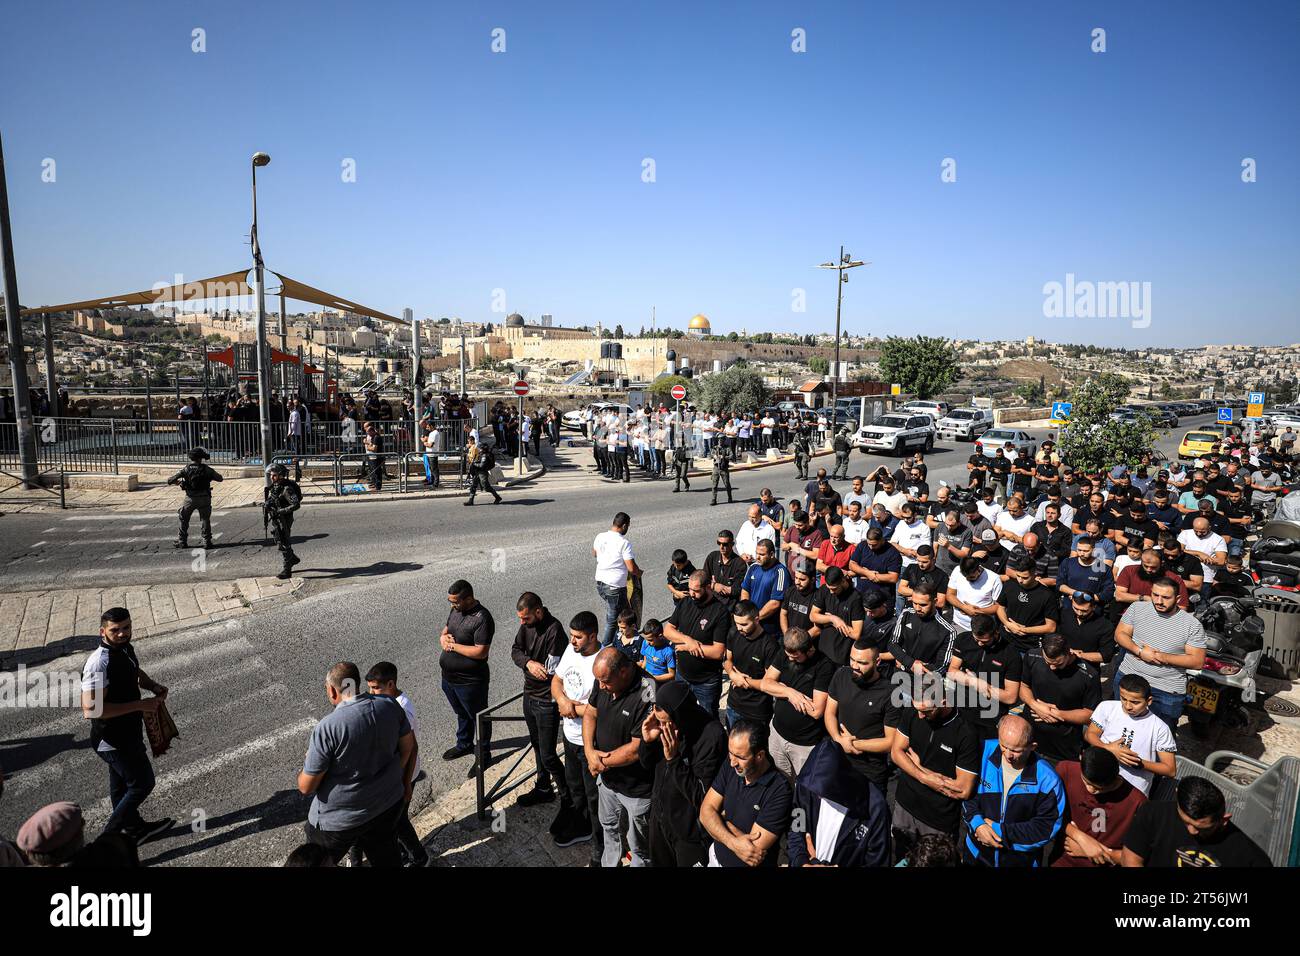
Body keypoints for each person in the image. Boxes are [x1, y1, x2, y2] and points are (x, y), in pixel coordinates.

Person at [298, 662, 416, 867]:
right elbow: (408, 747)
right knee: (387, 858)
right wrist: (399, 778)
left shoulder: (328, 727)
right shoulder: (389, 705)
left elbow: (306, 786)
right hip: (386, 805)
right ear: (357, 684)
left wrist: (308, 761)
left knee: (317, 859)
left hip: (339, 820)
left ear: (333, 691)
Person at [80, 607, 174, 844]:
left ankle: (133, 828)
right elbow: (92, 710)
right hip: (112, 739)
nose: (122, 633)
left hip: (127, 733)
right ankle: (106, 842)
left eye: (126, 628)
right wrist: (141, 705)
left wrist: (151, 685)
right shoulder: (98, 663)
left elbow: (133, 669)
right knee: (142, 783)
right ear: (103, 632)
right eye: (115, 630)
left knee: (121, 786)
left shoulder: (124, 648)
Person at [640, 681, 728, 867]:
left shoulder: (712, 736)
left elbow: (701, 797)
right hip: (661, 820)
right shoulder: (663, 725)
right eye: (659, 721)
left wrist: (674, 760)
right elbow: (646, 766)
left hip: (690, 833)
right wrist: (647, 742)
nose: (663, 728)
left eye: (667, 722)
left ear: (680, 716)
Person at [962, 715, 1066, 867]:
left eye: (1016, 750)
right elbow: (966, 792)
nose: (1008, 755)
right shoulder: (982, 752)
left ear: (1033, 747)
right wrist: (977, 824)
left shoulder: (1048, 780)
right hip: (976, 855)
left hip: (1020, 861)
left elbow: (1045, 828)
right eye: (1003, 746)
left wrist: (1000, 832)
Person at [890, 688, 981, 862]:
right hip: (905, 807)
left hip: (938, 821)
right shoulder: (913, 711)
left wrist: (917, 767)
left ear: (944, 702)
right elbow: (896, 752)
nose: (920, 716)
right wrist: (925, 777)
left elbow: (963, 789)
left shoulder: (966, 733)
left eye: (926, 711)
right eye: (918, 709)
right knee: (899, 859)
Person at [586, 647, 656, 867]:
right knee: (609, 831)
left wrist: (600, 762)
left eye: (606, 681)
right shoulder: (602, 682)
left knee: (638, 847)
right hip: (608, 782)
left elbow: (636, 749)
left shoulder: (648, 691)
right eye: (599, 681)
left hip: (637, 788)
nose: (602, 687)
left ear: (624, 671)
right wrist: (589, 750)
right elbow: (590, 712)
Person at [1113, 576, 1207, 732]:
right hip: (1128, 679)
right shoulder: (1137, 608)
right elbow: (1120, 634)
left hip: (1166, 690)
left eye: (1165, 597)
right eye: (1155, 595)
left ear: (1178, 599)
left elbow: (1197, 661)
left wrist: (1159, 656)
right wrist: (1140, 651)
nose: (1159, 601)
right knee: (1121, 727)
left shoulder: (1191, 624)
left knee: (1160, 736)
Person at [699, 721, 792, 867]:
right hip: (715, 858)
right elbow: (705, 812)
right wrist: (733, 842)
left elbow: (753, 851)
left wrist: (720, 820)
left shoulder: (779, 790)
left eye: (741, 757)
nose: (732, 763)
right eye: (731, 754)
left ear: (760, 755)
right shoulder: (732, 764)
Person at [1122, 776, 1271, 867]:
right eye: (1186, 821)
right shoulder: (1152, 813)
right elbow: (1131, 859)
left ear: (1224, 820)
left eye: (1202, 828)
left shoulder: (1250, 858)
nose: (1191, 831)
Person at [787, 737, 891, 867]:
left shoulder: (874, 807)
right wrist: (802, 862)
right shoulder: (806, 787)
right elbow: (796, 828)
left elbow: (877, 862)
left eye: (823, 791)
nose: (816, 796)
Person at [510, 592, 571, 812]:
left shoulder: (555, 631)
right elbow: (515, 650)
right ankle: (544, 787)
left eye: (525, 618)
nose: (522, 622)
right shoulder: (526, 626)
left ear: (538, 611)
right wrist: (528, 663)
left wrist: (535, 667)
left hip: (546, 701)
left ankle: (568, 797)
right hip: (529, 695)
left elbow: (550, 672)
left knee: (548, 754)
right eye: (520, 619)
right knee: (537, 747)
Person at [363, 662, 427, 867]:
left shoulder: (402, 708)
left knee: (398, 822)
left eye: (376, 688)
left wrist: (406, 783)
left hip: (404, 775)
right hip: (396, 775)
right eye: (369, 688)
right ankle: (403, 850)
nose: (371, 693)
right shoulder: (387, 702)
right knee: (396, 820)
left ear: (391, 684)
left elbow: (412, 748)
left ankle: (419, 858)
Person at [551, 612, 602, 857]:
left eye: (578, 637)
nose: (572, 641)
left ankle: (598, 840)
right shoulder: (572, 652)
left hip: (589, 741)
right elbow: (557, 680)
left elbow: (602, 708)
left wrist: (572, 707)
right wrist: (562, 700)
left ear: (592, 636)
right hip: (569, 736)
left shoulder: (601, 663)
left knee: (593, 794)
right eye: (571, 636)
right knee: (574, 787)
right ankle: (579, 825)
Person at [757, 627, 835, 785]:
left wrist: (777, 688)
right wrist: (790, 693)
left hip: (803, 745)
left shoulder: (823, 666)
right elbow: (765, 684)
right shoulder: (785, 653)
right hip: (777, 735)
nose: (791, 659)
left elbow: (817, 711)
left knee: (803, 788)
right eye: (789, 656)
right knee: (780, 783)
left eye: (796, 657)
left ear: (809, 650)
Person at [825, 639, 899, 797]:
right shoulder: (842, 674)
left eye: (862, 662)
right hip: (837, 762)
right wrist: (838, 739)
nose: (854, 666)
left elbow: (891, 742)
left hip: (869, 773)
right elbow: (829, 713)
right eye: (852, 659)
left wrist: (853, 744)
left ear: (877, 661)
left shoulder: (890, 693)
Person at [1051, 747, 1147, 867]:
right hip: (1062, 860)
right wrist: (1080, 837)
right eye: (1086, 782)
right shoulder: (1065, 771)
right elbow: (1047, 815)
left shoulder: (1138, 802)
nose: (1091, 790)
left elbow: (1139, 856)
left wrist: (1097, 852)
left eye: (1099, 788)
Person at [1084, 674, 1176, 796]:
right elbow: (1090, 734)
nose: (1128, 706)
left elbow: (1170, 769)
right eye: (1123, 699)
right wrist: (1107, 748)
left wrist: (1138, 763)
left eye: (1135, 702)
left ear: (1149, 701)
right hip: (1099, 782)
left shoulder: (1160, 728)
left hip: (1133, 790)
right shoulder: (1107, 707)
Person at [438, 580, 495, 772]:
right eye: (450, 602)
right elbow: (446, 630)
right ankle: (464, 744)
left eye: (455, 602)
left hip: (470, 682)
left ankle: (484, 755)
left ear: (469, 598)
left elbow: (481, 652)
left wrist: (452, 646)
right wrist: (443, 638)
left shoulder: (482, 618)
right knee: (461, 713)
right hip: (449, 678)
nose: (452, 606)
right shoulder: (456, 611)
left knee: (479, 718)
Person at [1019, 634, 1101, 765]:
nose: (1052, 667)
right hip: (1030, 737)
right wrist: (1034, 705)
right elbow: (1023, 686)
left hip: (1063, 747)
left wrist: (1057, 714)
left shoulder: (1089, 675)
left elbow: (1091, 715)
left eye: (1058, 663)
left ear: (1069, 652)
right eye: (1048, 662)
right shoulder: (1032, 656)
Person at [662, 570, 729, 717]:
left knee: (708, 718)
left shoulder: (720, 612)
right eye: (690, 589)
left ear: (708, 588)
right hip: (682, 675)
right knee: (681, 715)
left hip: (706, 682)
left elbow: (718, 652)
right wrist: (688, 640)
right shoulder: (686, 602)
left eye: (696, 591)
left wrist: (690, 647)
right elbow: (668, 630)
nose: (692, 594)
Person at [948, 615, 1023, 739]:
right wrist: (974, 682)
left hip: (989, 717)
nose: (980, 644)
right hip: (960, 708)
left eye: (985, 641)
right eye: (976, 639)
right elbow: (952, 672)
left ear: (995, 632)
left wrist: (986, 688)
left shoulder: (1011, 655)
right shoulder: (963, 639)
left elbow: (1011, 697)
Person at [723, 599, 783, 729]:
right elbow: (727, 660)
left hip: (756, 711)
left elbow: (769, 683)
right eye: (736, 623)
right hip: (733, 704)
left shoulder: (770, 646)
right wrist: (732, 674)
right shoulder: (734, 632)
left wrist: (743, 681)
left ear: (756, 619)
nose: (739, 628)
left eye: (744, 624)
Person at [889, 581, 957, 678]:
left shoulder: (948, 632)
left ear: (935, 601)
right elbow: (892, 643)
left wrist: (905, 665)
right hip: (897, 675)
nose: (917, 608)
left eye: (923, 605)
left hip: (923, 682)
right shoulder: (906, 614)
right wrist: (910, 663)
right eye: (914, 603)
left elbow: (941, 667)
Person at [593, 512, 641, 647]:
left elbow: (595, 553)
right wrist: (639, 573)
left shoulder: (600, 536)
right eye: (628, 526)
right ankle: (605, 648)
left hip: (601, 584)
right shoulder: (624, 542)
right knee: (613, 619)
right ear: (624, 525)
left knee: (626, 613)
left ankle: (625, 640)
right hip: (614, 588)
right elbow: (631, 567)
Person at [996, 557, 1060, 652]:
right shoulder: (1009, 585)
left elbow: (1051, 627)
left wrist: (1023, 630)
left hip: (1028, 646)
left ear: (1035, 574)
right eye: (1018, 576)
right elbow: (1000, 607)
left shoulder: (1047, 595)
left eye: (1025, 577)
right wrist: (1007, 624)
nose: (1020, 580)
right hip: (1005, 641)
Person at [167, 447, 223, 549]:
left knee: (183, 518)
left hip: (190, 499)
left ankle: (182, 541)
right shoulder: (206, 469)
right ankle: (207, 541)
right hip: (205, 498)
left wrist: (178, 482)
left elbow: (170, 480)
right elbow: (220, 478)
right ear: (201, 458)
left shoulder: (186, 469)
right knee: (205, 519)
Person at [739, 540, 788, 638]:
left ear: (772, 554)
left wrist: (755, 619)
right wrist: (746, 613)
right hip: (751, 626)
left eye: (761, 554)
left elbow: (775, 603)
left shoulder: (780, 572)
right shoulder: (754, 567)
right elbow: (745, 590)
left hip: (769, 631)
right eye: (757, 553)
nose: (757, 557)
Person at [947, 555, 1003, 634]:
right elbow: (950, 595)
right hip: (959, 624)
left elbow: (998, 607)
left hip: (984, 628)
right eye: (965, 576)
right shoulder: (956, 570)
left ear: (978, 569)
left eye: (971, 577)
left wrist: (978, 611)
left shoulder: (994, 579)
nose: (967, 579)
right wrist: (964, 607)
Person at [264, 463, 303, 579]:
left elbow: (296, 505)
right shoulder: (276, 486)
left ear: (280, 476)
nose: (272, 477)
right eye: (271, 475)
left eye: (274, 475)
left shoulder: (287, 489)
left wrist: (280, 511)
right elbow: (274, 498)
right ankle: (293, 558)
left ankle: (287, 570)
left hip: (284, 518)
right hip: (277, 518)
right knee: (279, 540)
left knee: (284, 542)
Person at [703, 529, 748, 611]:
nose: (721, 547)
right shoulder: (712, 557)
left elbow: (737, 589)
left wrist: (719, 586)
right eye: (719, 543)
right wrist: (714, 585)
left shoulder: (739, 564)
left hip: (729, 607)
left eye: (725, 544)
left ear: (732, 544)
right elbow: (704, 579)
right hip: (712, 604)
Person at [463, 434, 502, 505]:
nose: (479, 449)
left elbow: (481, 465)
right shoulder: (481, 454)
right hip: (477, 472)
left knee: (486, 487)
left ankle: (497, 497)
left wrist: (474, 464)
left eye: (480, 448)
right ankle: (470, 501)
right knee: (473, 486)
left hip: (482, 473)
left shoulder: (484, 456)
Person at [709, 440, 733, 506]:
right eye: (719, 440)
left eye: (721, 440)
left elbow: (732, 456)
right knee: (714, 485)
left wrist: (724, 457)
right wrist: (714, 456)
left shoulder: (727, 448)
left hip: (724, 468)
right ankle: (714, 499)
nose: (720, 441)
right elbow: (710, 455)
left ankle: (729, 497)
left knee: (727, 484)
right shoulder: (715, 448)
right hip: (716, 468)